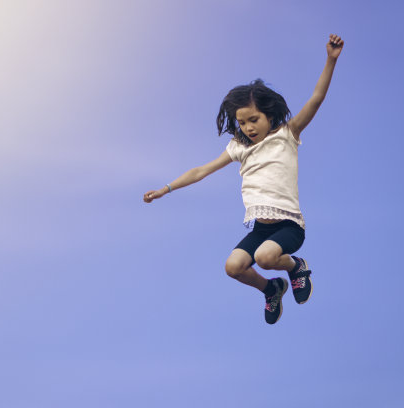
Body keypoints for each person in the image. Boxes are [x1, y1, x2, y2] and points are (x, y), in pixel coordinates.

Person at [143, 34, 344, 324]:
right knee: (233, 266)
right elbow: (202, 170)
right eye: (242, 122)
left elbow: (316, 99)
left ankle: (295, 266)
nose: (248, 128)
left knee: (264, 258)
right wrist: (166, 188)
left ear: (268, 115)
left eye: (254, 120)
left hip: (289, 227)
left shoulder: (287, 135)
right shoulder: (238, 147)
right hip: (261, 229)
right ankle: (271, 289)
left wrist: (330, 60)